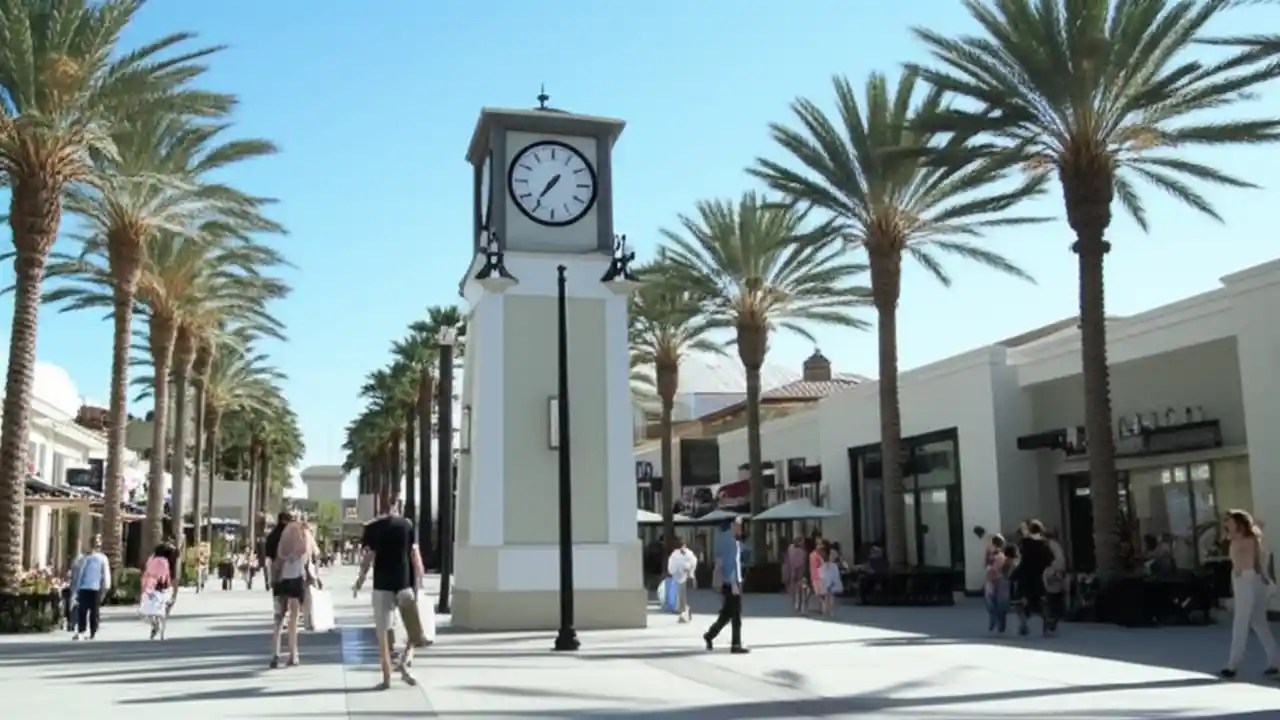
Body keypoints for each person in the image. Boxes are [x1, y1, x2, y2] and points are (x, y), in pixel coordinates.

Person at [355, 491, 426, 690]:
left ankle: (386, 677)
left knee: (383, 633)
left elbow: (368, 558)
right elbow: (414, 554)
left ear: (380, 504)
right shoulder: (407, 525)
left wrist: (360, 581)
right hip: (404, 583)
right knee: (414, 629)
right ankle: (405, 663)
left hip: (382, 584)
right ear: (398, 504)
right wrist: (419, 578)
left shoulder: (373, 528)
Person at [1220, 509, 1279, 679]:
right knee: (1259, 623)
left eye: (1229, 521)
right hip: (1246, 579)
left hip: (1247, 579)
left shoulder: (1248, 539)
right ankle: (1275, 661)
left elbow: (1256, 562)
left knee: (1241, 623)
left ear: (1238, 523)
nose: (1226, 524)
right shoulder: (1244, 539)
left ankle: (1233, 665)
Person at [269, 516, 312, 668]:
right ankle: (293, 654)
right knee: (293, 618)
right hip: (297, 579)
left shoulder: (275, 535)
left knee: (278, 618)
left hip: (280, 581)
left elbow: (270, 559)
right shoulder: (303, 534)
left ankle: (275, 654)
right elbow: (308, 557)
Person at [702, 517, 748, 654]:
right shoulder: (731, 542)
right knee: (736, 616)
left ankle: (710, 635)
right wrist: (734, 583)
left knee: (727, 614)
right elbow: (729, 564)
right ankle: (736, 645)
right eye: (739, 526)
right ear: (732, 525)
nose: (741, 529)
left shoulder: (728, 539)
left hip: (730, 582)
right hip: (731, 583)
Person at [1012, 519, 1054, 637]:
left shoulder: (1024, 543)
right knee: (1041, 601)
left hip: (1025, 575)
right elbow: (1049, 560)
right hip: (1038, 577)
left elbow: (1021, 559)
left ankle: (1023, 623)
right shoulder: (1045, 544)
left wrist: (1014, 574)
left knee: (1019, 601)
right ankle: (1046, 624)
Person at [70, 536, 111, 641]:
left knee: (94, 612)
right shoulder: (84, 557)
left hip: (96, 588)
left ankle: (93, 632)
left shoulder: (102, 558)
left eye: (97, 542)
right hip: (84, 588)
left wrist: (105, 587)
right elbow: (78, 573)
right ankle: (81, 631)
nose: (96, 544)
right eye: (94, 542)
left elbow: (105, 574)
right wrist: (76, 589)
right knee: (82, 611)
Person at [141, 544, 172, 640]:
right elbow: (165, 575)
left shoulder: (151, 559)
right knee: (162, 612)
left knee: (148, 610)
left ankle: (155, 625)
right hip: (161, 587)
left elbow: (147, 572)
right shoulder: (164, 561)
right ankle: (162, 633)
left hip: (151, 586)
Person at [666, 538, 698, 622]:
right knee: (681, 597)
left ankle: (685, 613)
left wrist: (690, 571)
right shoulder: (674, 555)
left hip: (688, 577)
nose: (682, 548)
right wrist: (677, 570)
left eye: (683, 546)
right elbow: (671, 568)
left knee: (686, 596)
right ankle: (684, 613)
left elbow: (694, 563)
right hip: (679, 578)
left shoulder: (690, 554)